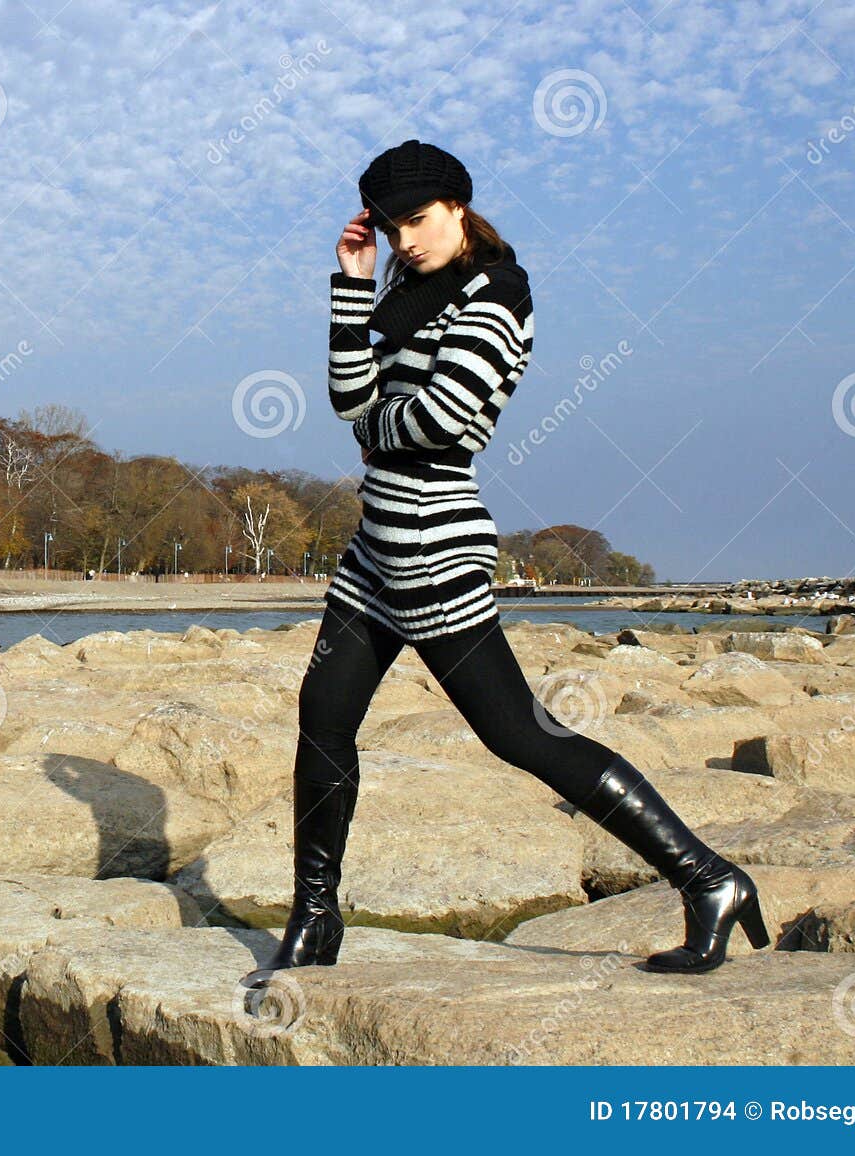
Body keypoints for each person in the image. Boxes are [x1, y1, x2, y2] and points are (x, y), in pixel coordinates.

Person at [248, 140, 766, 987]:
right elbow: (348, 396)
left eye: (416, 219)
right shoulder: (404, 294)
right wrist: (350, 282)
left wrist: (376, 426)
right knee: (323, 718)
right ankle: (315, 920)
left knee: (522, 735)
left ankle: (710, 879)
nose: (404, 239)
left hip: (432, 551)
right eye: (390, 225)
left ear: (458, 207)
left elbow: (442, 420)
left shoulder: (499, 294)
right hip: (376, 549)